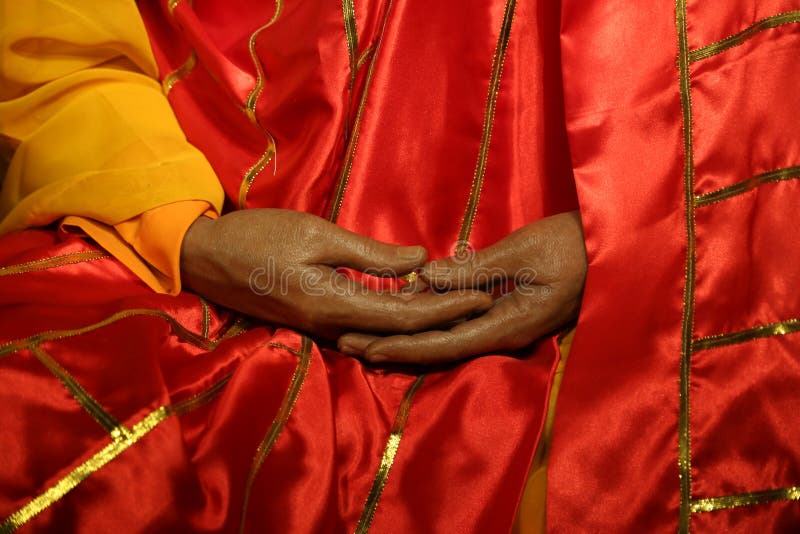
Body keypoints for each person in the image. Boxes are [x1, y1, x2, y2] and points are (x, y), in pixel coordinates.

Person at [2, 0, 799, 532]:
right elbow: (58, 49)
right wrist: (182, 232)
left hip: (606, 311)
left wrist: (642, 226)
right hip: (181, 240)